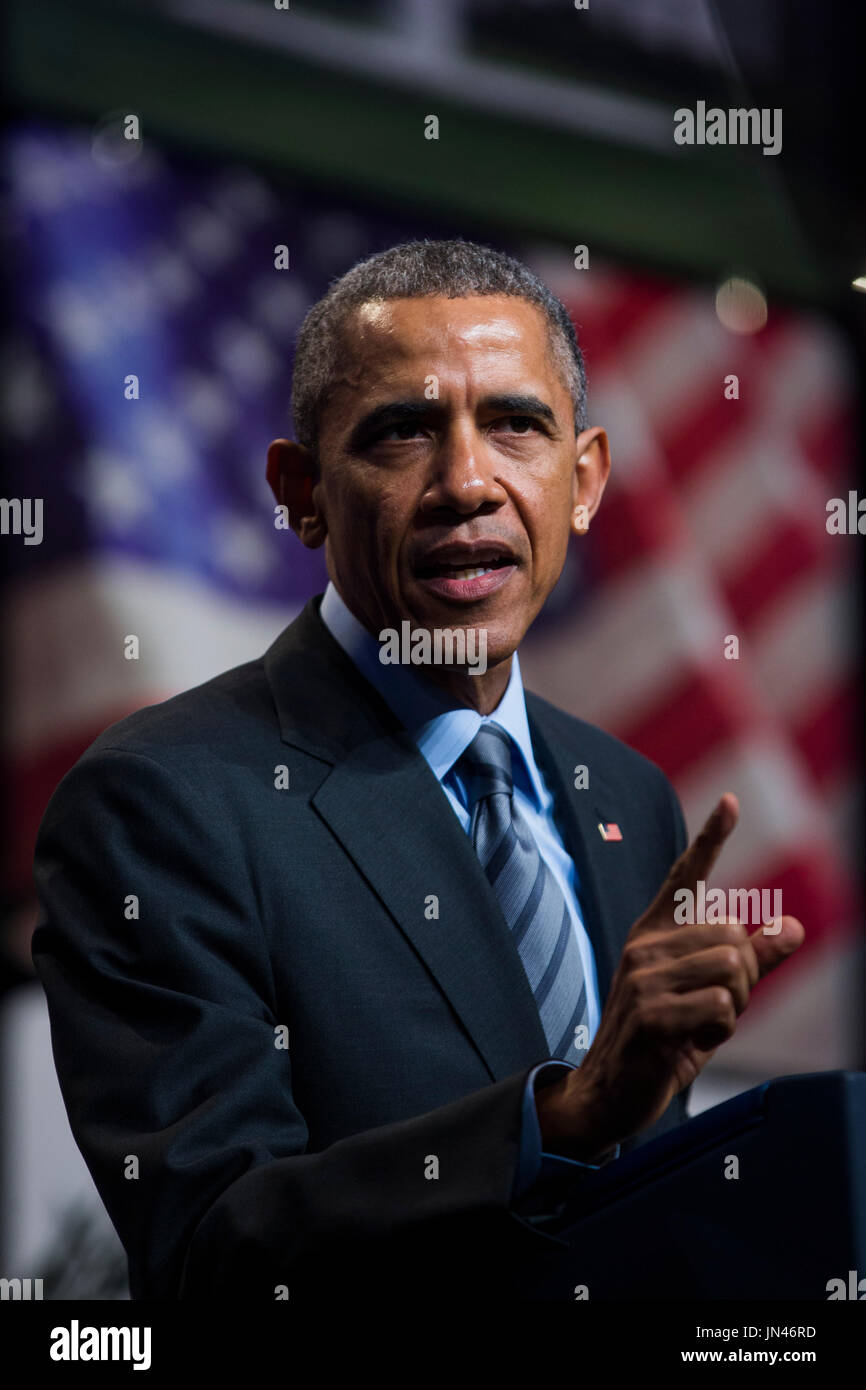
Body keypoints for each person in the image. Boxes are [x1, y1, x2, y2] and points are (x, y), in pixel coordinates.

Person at [31, 239, 805, 1301]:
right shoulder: (161, 801)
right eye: (402, 430)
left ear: (581, 482)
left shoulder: (625, 796)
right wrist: (553, 1122)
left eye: (514, 425)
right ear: (299, 493)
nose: (466, 482)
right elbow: (214, 1248)